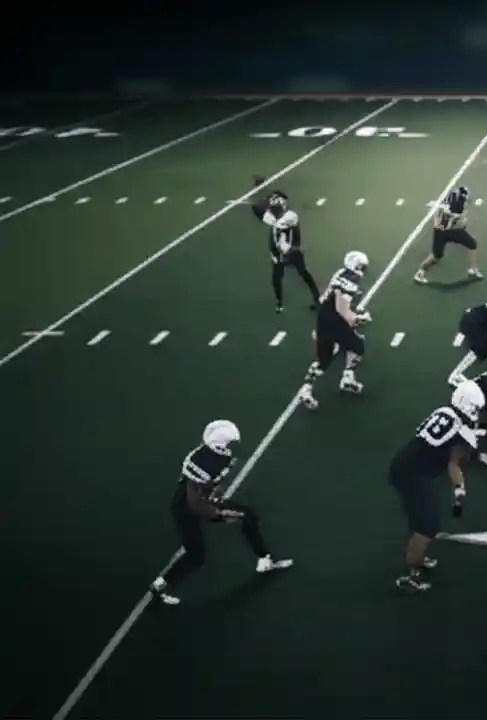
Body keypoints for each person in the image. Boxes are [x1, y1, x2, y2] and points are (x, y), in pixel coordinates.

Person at [149, 420, 292, 606]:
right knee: (196, 555)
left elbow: (211, 484)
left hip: (200, 501)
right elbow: (195, 504)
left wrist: (216, 496)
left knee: (248, 516)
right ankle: (160, 586)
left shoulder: (211, 455)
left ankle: (264, 560)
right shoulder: (203, 464)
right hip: (186, 509)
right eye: (230, 443)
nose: (233, 446)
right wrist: (219, 514)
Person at [389, 381, 487, 593]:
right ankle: (411, 575)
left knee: (420, 517)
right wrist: (485, 459)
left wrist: (459, 490)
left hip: (403, 462)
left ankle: (417, 558)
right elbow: (456, 461)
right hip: (415, 474)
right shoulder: (464, 432)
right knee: (427, 526)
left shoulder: (444, 410)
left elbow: (451, 461)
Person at [299, 251, 371, 410]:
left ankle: (306, 388)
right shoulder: (351, 281)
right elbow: (341, 309)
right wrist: (357, 318)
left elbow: (331, 298)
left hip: (323, 317)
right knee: (358, 346)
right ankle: (347, 378)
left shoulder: (340, 273)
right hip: (335, 322)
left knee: (323, 360)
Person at [251, 188, 320, 313]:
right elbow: (256, 207)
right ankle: (279, 302)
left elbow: (279, 227)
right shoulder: (274, 217)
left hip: (291, 251)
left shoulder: (290, 216)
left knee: (304, 273)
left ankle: (317, 298)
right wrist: (266, 199)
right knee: (277, 276)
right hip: (278, 253)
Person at [413, 186, 483, 284]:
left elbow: (439, 213)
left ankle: (473, 269)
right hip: (443, 232)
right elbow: (459, 223)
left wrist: (436, 222)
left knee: (472, 244)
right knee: (437, 256)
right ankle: (420, 272)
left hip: (449, 230)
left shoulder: (447, 203)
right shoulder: (457, 209)